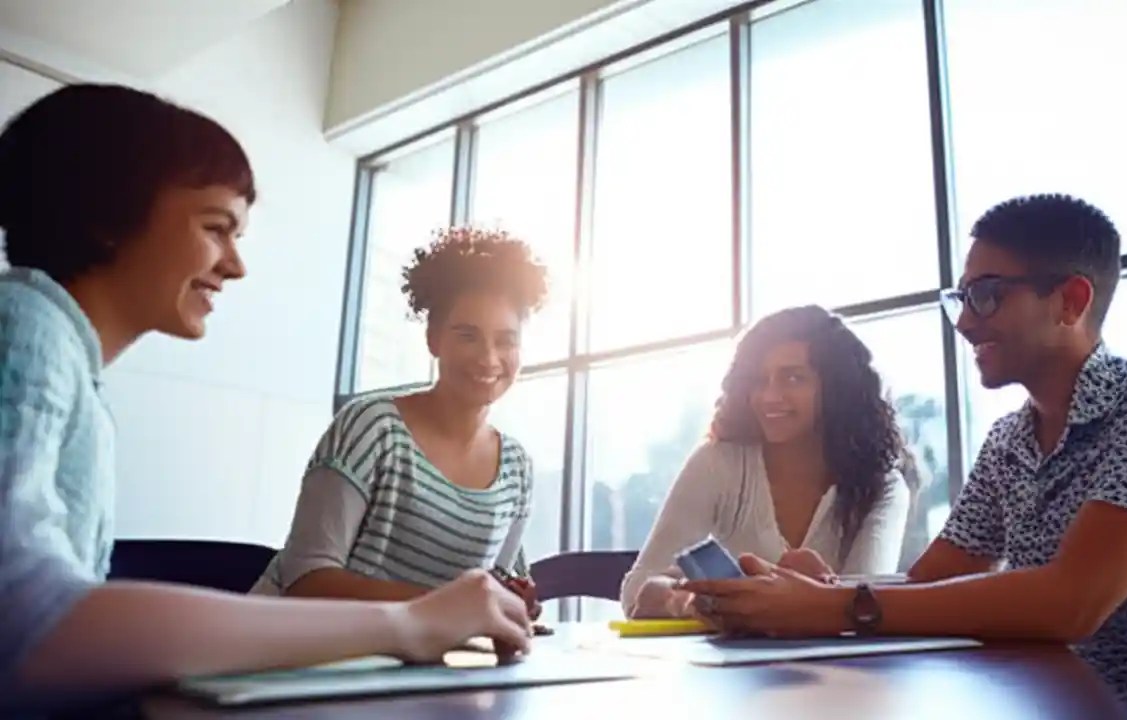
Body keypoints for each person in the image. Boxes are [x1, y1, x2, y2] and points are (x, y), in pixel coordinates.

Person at [0, 84, 531, 709]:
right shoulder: (28, 329)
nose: (235, 266)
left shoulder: (69, 364)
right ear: (107, 215)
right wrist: (408, 622)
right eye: (216, 228)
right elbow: (23, 623)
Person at [681, 194, 1127, 719]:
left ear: (1071, 300)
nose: (965, 323)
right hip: (1052, 706)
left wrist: (834, 605)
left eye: (986, 296)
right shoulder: (1008, 442)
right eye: (961, 299)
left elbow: (1074, 603)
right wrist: (830, 586)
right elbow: (929, 583)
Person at [250, 227, 546, 620]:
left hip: (412, 664)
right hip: (287, 653)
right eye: (467, 336)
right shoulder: (372, 428)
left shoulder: (516, 468)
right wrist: (446, 607)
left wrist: (511, 598)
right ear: (433, 339)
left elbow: (490, 589)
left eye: (506, 341)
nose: (489, 358)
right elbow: (307, 580)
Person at [622, 305, 911, 619]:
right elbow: (637, 590)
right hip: (729, 665)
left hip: (840, 667)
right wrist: (691, 601)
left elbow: (862, 608)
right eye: (759, 380)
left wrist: (738, 593)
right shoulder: (717, 462)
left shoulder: (884, 487)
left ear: (838, 389)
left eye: (793, 377)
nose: (769, 396)